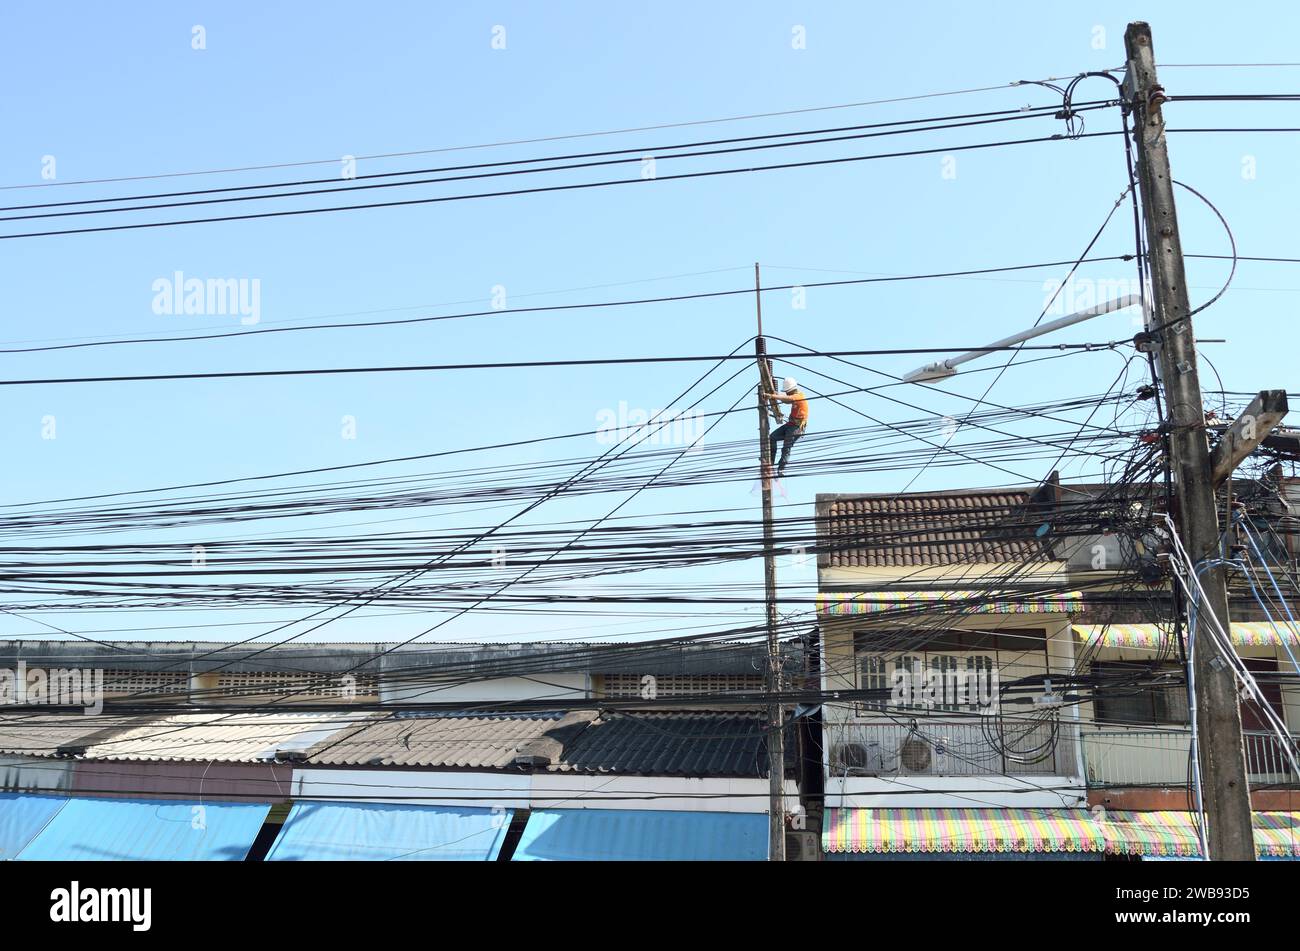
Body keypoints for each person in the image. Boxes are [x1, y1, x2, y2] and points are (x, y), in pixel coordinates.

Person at [762, 377, 809, 475]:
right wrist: (773, 395)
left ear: (791, 390)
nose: (786, 393)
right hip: (790, 424)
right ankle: (770, 463)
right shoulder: (793, 396)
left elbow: (788, 399)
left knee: (786, 447)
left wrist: (772, 396)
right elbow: (786, 400)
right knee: (772, 437)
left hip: (797, 427)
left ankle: (781, 468)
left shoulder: (799, 396)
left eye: (787, 391)